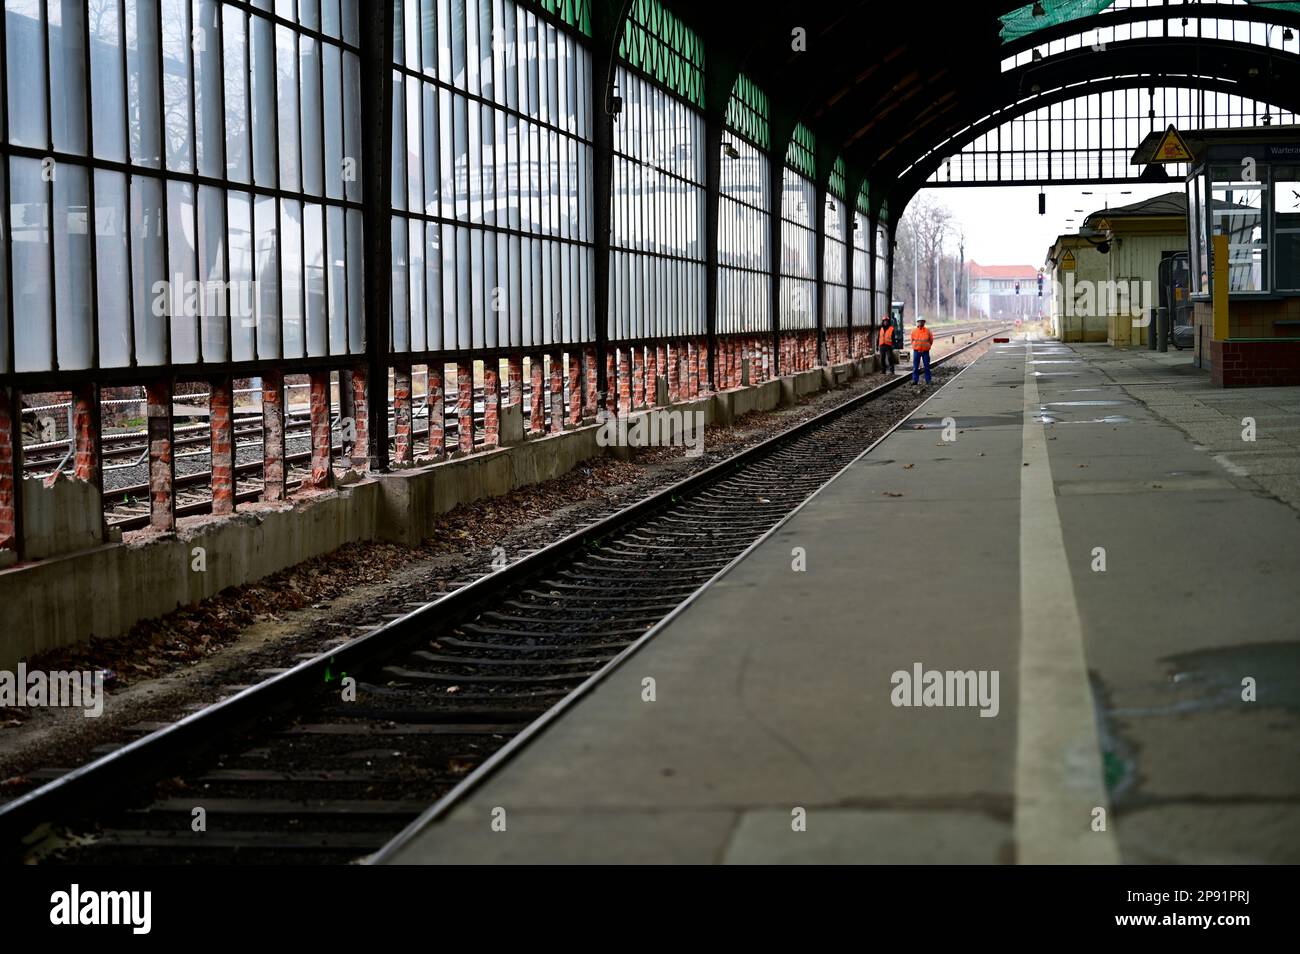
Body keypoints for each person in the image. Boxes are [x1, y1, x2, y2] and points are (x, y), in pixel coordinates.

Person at [910, 317, 933, 388]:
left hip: (925, 351)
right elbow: (912, 340)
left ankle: (928, 380)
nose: (921, 323)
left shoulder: (928, 331)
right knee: (915, 367)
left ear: (924, 322)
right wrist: (915, 346)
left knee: (927, 366)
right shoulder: (914, 331)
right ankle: (915, 380)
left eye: (922, 321)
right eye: (920, 321)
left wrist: (927, 346)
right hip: (916, 351)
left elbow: (931, 340)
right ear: (917, 322)